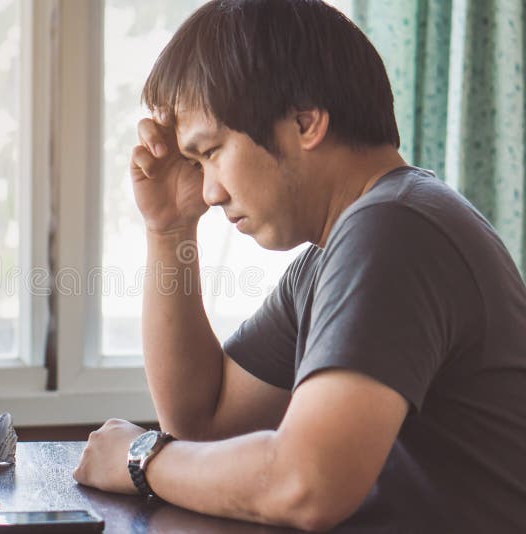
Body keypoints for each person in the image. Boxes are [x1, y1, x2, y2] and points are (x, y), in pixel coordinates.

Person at [72, 0, 526, 532]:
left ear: (305, 122)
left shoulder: (395, 231)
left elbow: (307, 484)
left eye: (212, 152)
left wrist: (141, 459)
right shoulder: (340, 250)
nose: (210, 191)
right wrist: (169, 231)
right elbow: (202, 426)